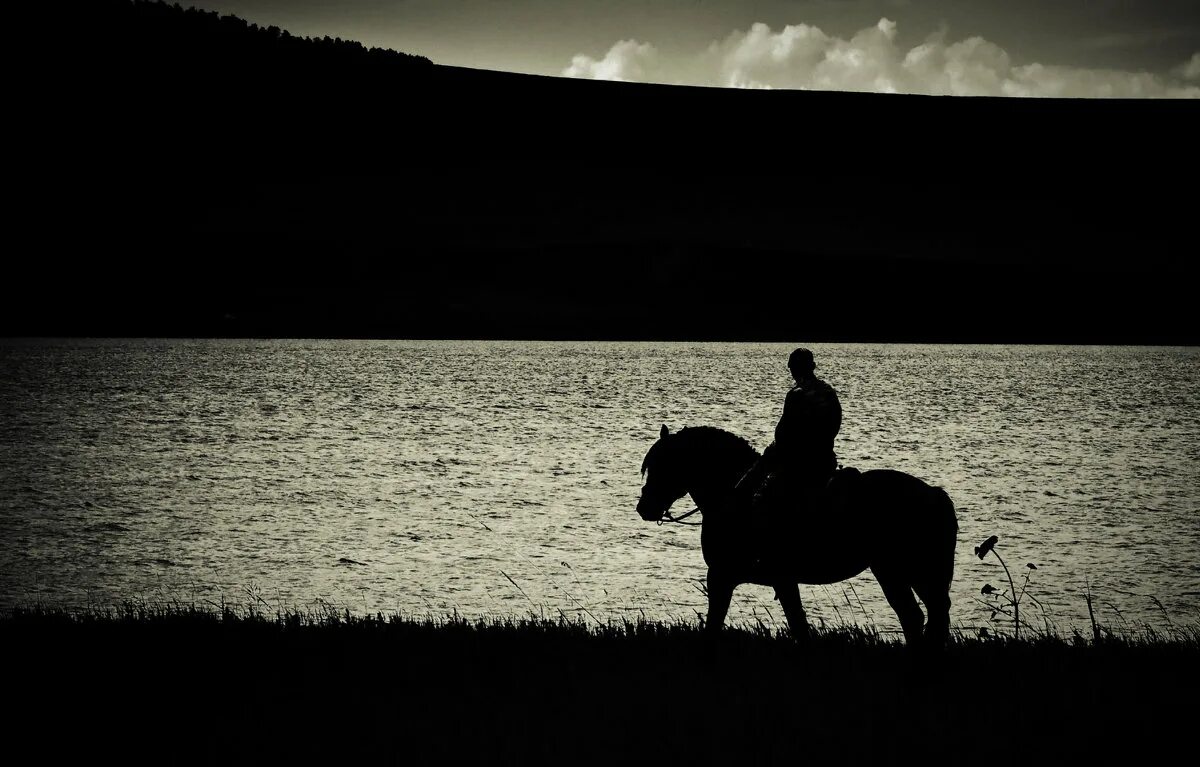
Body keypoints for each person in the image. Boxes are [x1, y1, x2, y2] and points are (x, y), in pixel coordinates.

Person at [735, 348, 842, 557]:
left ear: (794, 369)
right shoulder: (829, 391)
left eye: (792, 368)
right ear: (812, 367)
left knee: (764, 496)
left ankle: (769, 553)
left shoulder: (796, 395)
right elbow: (835, 426)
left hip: (800, 465)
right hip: (826, 460)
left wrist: (772, 453)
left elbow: (783, 434)